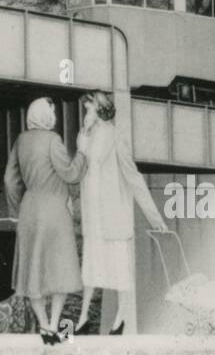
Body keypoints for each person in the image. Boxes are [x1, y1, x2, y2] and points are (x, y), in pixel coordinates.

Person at [72, 91, 168, 336]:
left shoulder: (116, 138)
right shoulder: (86, 138)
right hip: (94, 218)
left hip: (113, 216)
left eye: (89, 109)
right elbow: (78, 171)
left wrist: (155, 218)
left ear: (99, 110)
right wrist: (81, 143)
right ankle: (83, 319)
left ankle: (119, 321)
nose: (86, 114)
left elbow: (133, 178)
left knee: (120, 271)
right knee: (91, 271)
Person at [3, 97, 88, 344]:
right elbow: (70, 174)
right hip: (54, 211)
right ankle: (53, 323)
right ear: (46, 115)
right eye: (53, 111)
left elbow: (9, 181)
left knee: (33, 271)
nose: (56, 116)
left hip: (29, 210)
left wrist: (20, 207)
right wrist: (82, 150)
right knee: (61, 269)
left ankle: (43, 325)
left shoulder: (20, 141)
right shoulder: (53, 140)